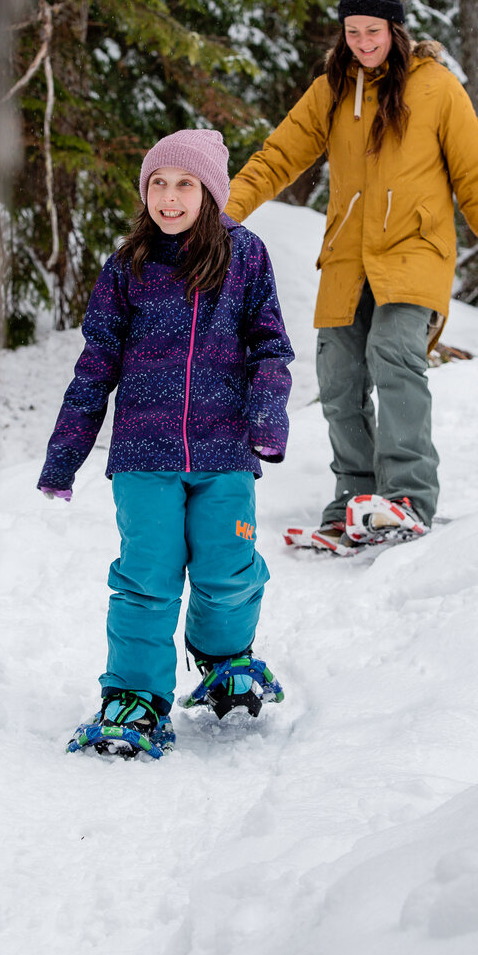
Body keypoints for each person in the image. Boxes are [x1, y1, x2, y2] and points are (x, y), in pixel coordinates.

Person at [225, 0, 478, 552]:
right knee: (338, 376)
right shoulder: (331, 91)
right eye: (352, 31)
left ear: (395, 29)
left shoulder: (435, 88)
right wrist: (222, 214)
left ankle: (409, 493)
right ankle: (355, 496)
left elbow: (477, 178)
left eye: (373, 30)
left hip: (415, 249)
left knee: (392, 352)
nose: (362, 42)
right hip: (346, 257)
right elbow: (277, 157)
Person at [38, 129, 294, 758]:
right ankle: (134, 697)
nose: (170, 197)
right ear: (145, 191)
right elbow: (95, 368)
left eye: (186, 184)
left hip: (224, 452)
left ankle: (227, 660)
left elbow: (271, 348)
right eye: (159, 183)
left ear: (210, 193)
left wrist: (266, 416)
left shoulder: (245, 256)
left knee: (226, 572)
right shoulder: (126, 267)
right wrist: (64, 456)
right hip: (143, 458)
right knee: (146, 579)